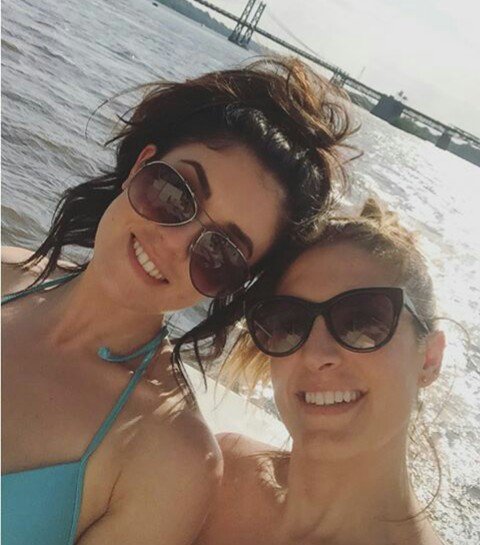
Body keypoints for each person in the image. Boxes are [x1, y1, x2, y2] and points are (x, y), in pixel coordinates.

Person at [1, 57, 354, 544]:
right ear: (140, 167)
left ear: (234, 285)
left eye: (220, 252)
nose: (174, 243)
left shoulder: (168, 458)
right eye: (175, 193)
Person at [197, 198, 447, 545]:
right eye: (290, 324)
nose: (316, 355)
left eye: (362, 322)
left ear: (430, 359)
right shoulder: (219, 471)